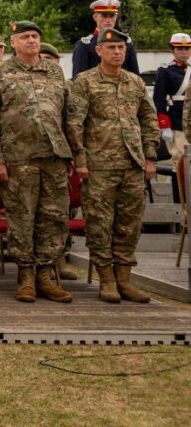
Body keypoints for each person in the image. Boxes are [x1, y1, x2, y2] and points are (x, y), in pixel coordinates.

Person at [0, 20, 82, 302]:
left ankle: (46, 275)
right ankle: (26, 276)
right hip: (18, 159)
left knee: (53, 218)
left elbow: (68, 115)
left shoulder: (54, 72)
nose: (31, 41)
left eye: (35, 37)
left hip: (54, 157)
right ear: (13, 42)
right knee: (22, 218)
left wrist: (75, 154)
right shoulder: (1, 73)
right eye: (25, 37)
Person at [69, 28, 159, 304]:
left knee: (129, 225)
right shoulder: (85, 82)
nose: (118, 52)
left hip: (131, 164)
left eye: (121, 48)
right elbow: (74, 124)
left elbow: (148, 119)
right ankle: (106, 280)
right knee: (99, 225)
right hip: (98, 166)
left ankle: (124, 279)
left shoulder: (134, 82)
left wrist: (150, 156)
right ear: (99, 51)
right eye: (112, 48)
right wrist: (80, 160)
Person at [71, 0, 140, 79]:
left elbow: (135, 76)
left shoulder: (126, 42)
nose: (108, 20)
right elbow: (78, 78)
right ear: (95, 17)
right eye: (104, 16)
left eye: (112, 16)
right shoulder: (85, 45)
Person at [153, 32, 189, 164]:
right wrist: (165, 125)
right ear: (172, 51)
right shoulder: (165, 70)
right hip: (176, 121)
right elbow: (159, 99)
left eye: (187, 48)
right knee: (180, 161)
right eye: (180, 48)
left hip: (189, 121)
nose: (184, 52)